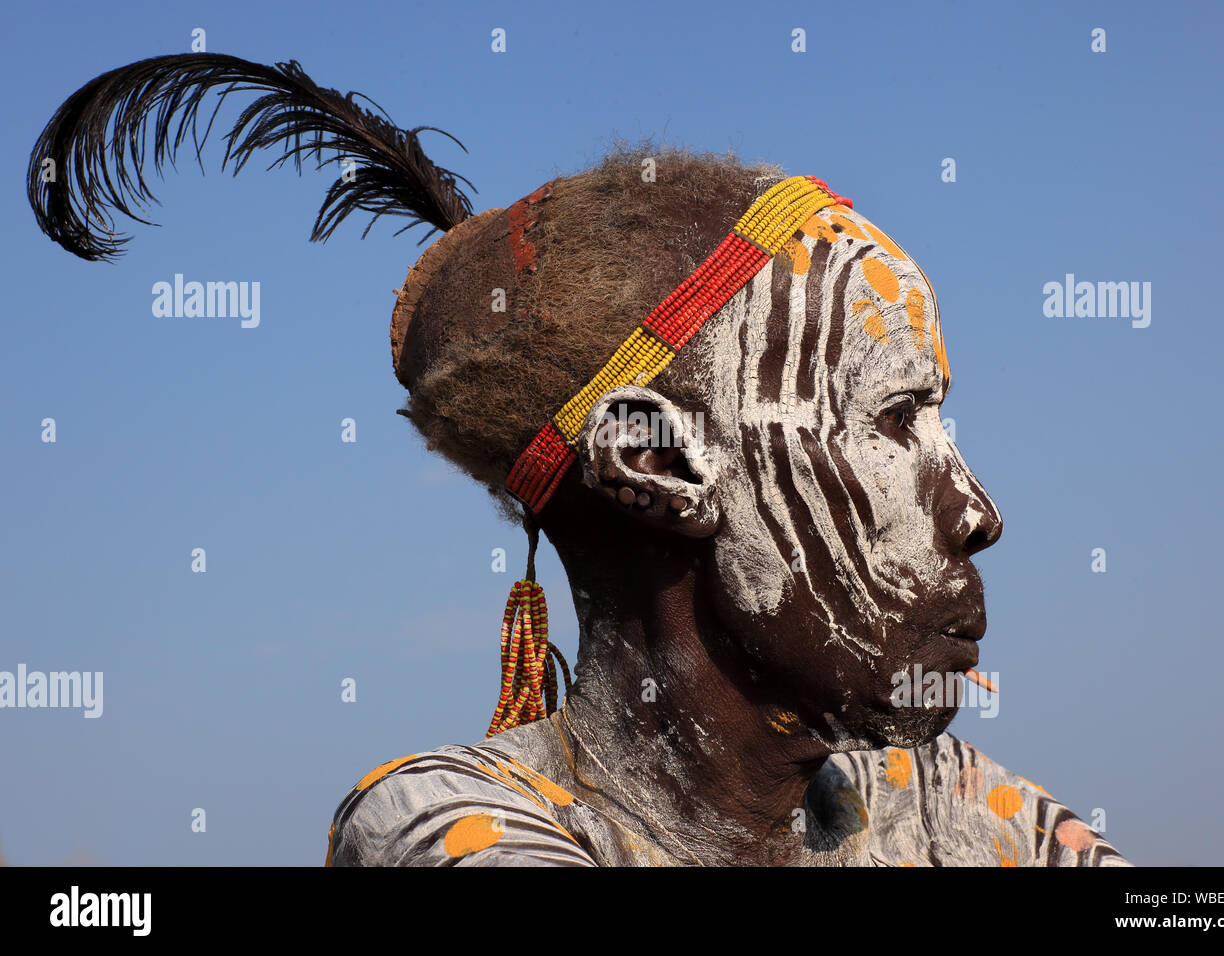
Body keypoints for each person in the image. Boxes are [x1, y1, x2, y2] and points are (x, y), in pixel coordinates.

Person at [26, 53, 1128, 867]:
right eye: (896, 420)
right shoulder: (451, 831)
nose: (976, 507)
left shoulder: (943, 809)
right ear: (657, 461)